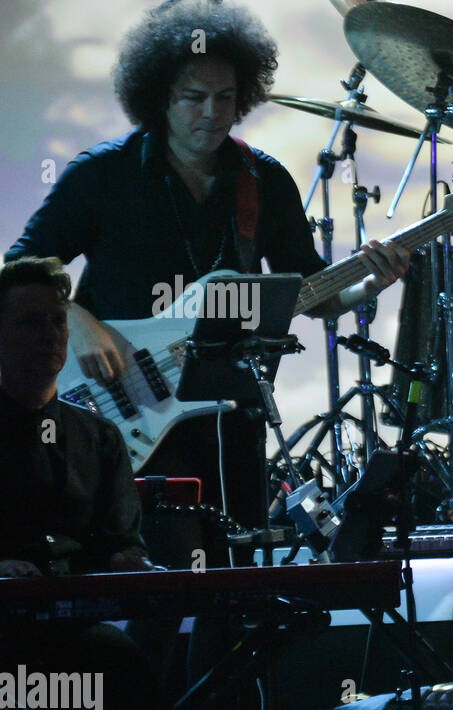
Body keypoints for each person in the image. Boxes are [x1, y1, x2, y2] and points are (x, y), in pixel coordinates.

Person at [5, 0, 408, 528]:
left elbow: (314, 296)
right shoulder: (104, 175)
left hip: (231, 409)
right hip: (123, 406)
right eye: (194, 98)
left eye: (225, 98)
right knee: (148, 560)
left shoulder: (263, 180)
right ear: (159, 100)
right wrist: (79, 323)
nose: (212, 112)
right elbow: (22, 268)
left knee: (233, 569)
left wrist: (371, 283)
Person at [0, 257, 166, 710]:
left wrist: (127, 561)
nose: (49, 338)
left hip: (67, 628)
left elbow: (121, 543)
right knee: (34, 705)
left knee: (132, 678)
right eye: (29, 325)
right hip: (6, 633)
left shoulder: (98, 437)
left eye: (57, 324)